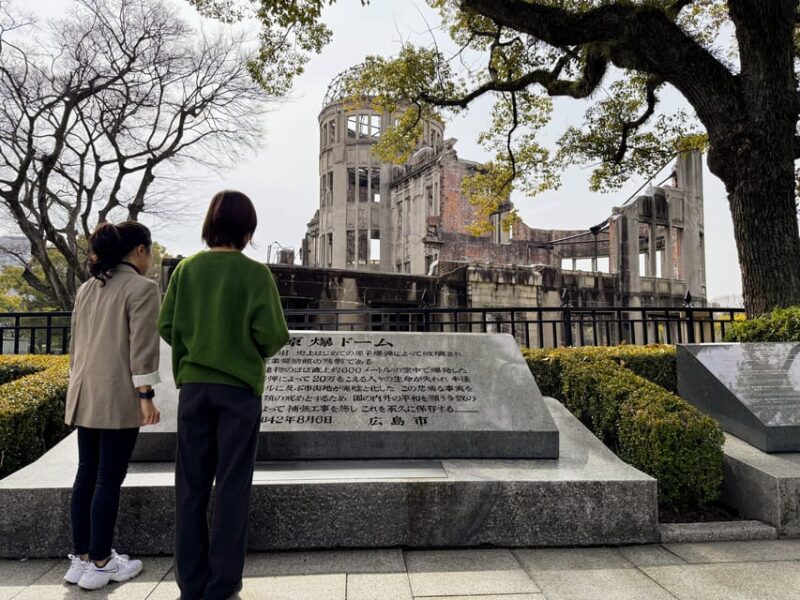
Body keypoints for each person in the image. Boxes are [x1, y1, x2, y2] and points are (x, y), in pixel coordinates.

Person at [158, 190, 289, 600]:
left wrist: (198, 346)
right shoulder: (255, 275)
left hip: (194, 388)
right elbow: (273, 337)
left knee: (190, 487)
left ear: (209, 226)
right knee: (232, 486)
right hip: (239, 392)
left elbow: (167, 326)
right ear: (248, 232)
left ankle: (191, 581)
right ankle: (223, 582)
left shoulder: (186, 270)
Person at [64, 221, 162, 591]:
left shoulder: (88, 288)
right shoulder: (141, 287)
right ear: (140, 250)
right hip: (117, 393)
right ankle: (103, 561)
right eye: (149, 252)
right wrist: (146, 396)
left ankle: (83, 558)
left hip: (84, 390)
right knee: (108, 477)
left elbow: (76, 345)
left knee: (86, 473)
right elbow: (142, 347)